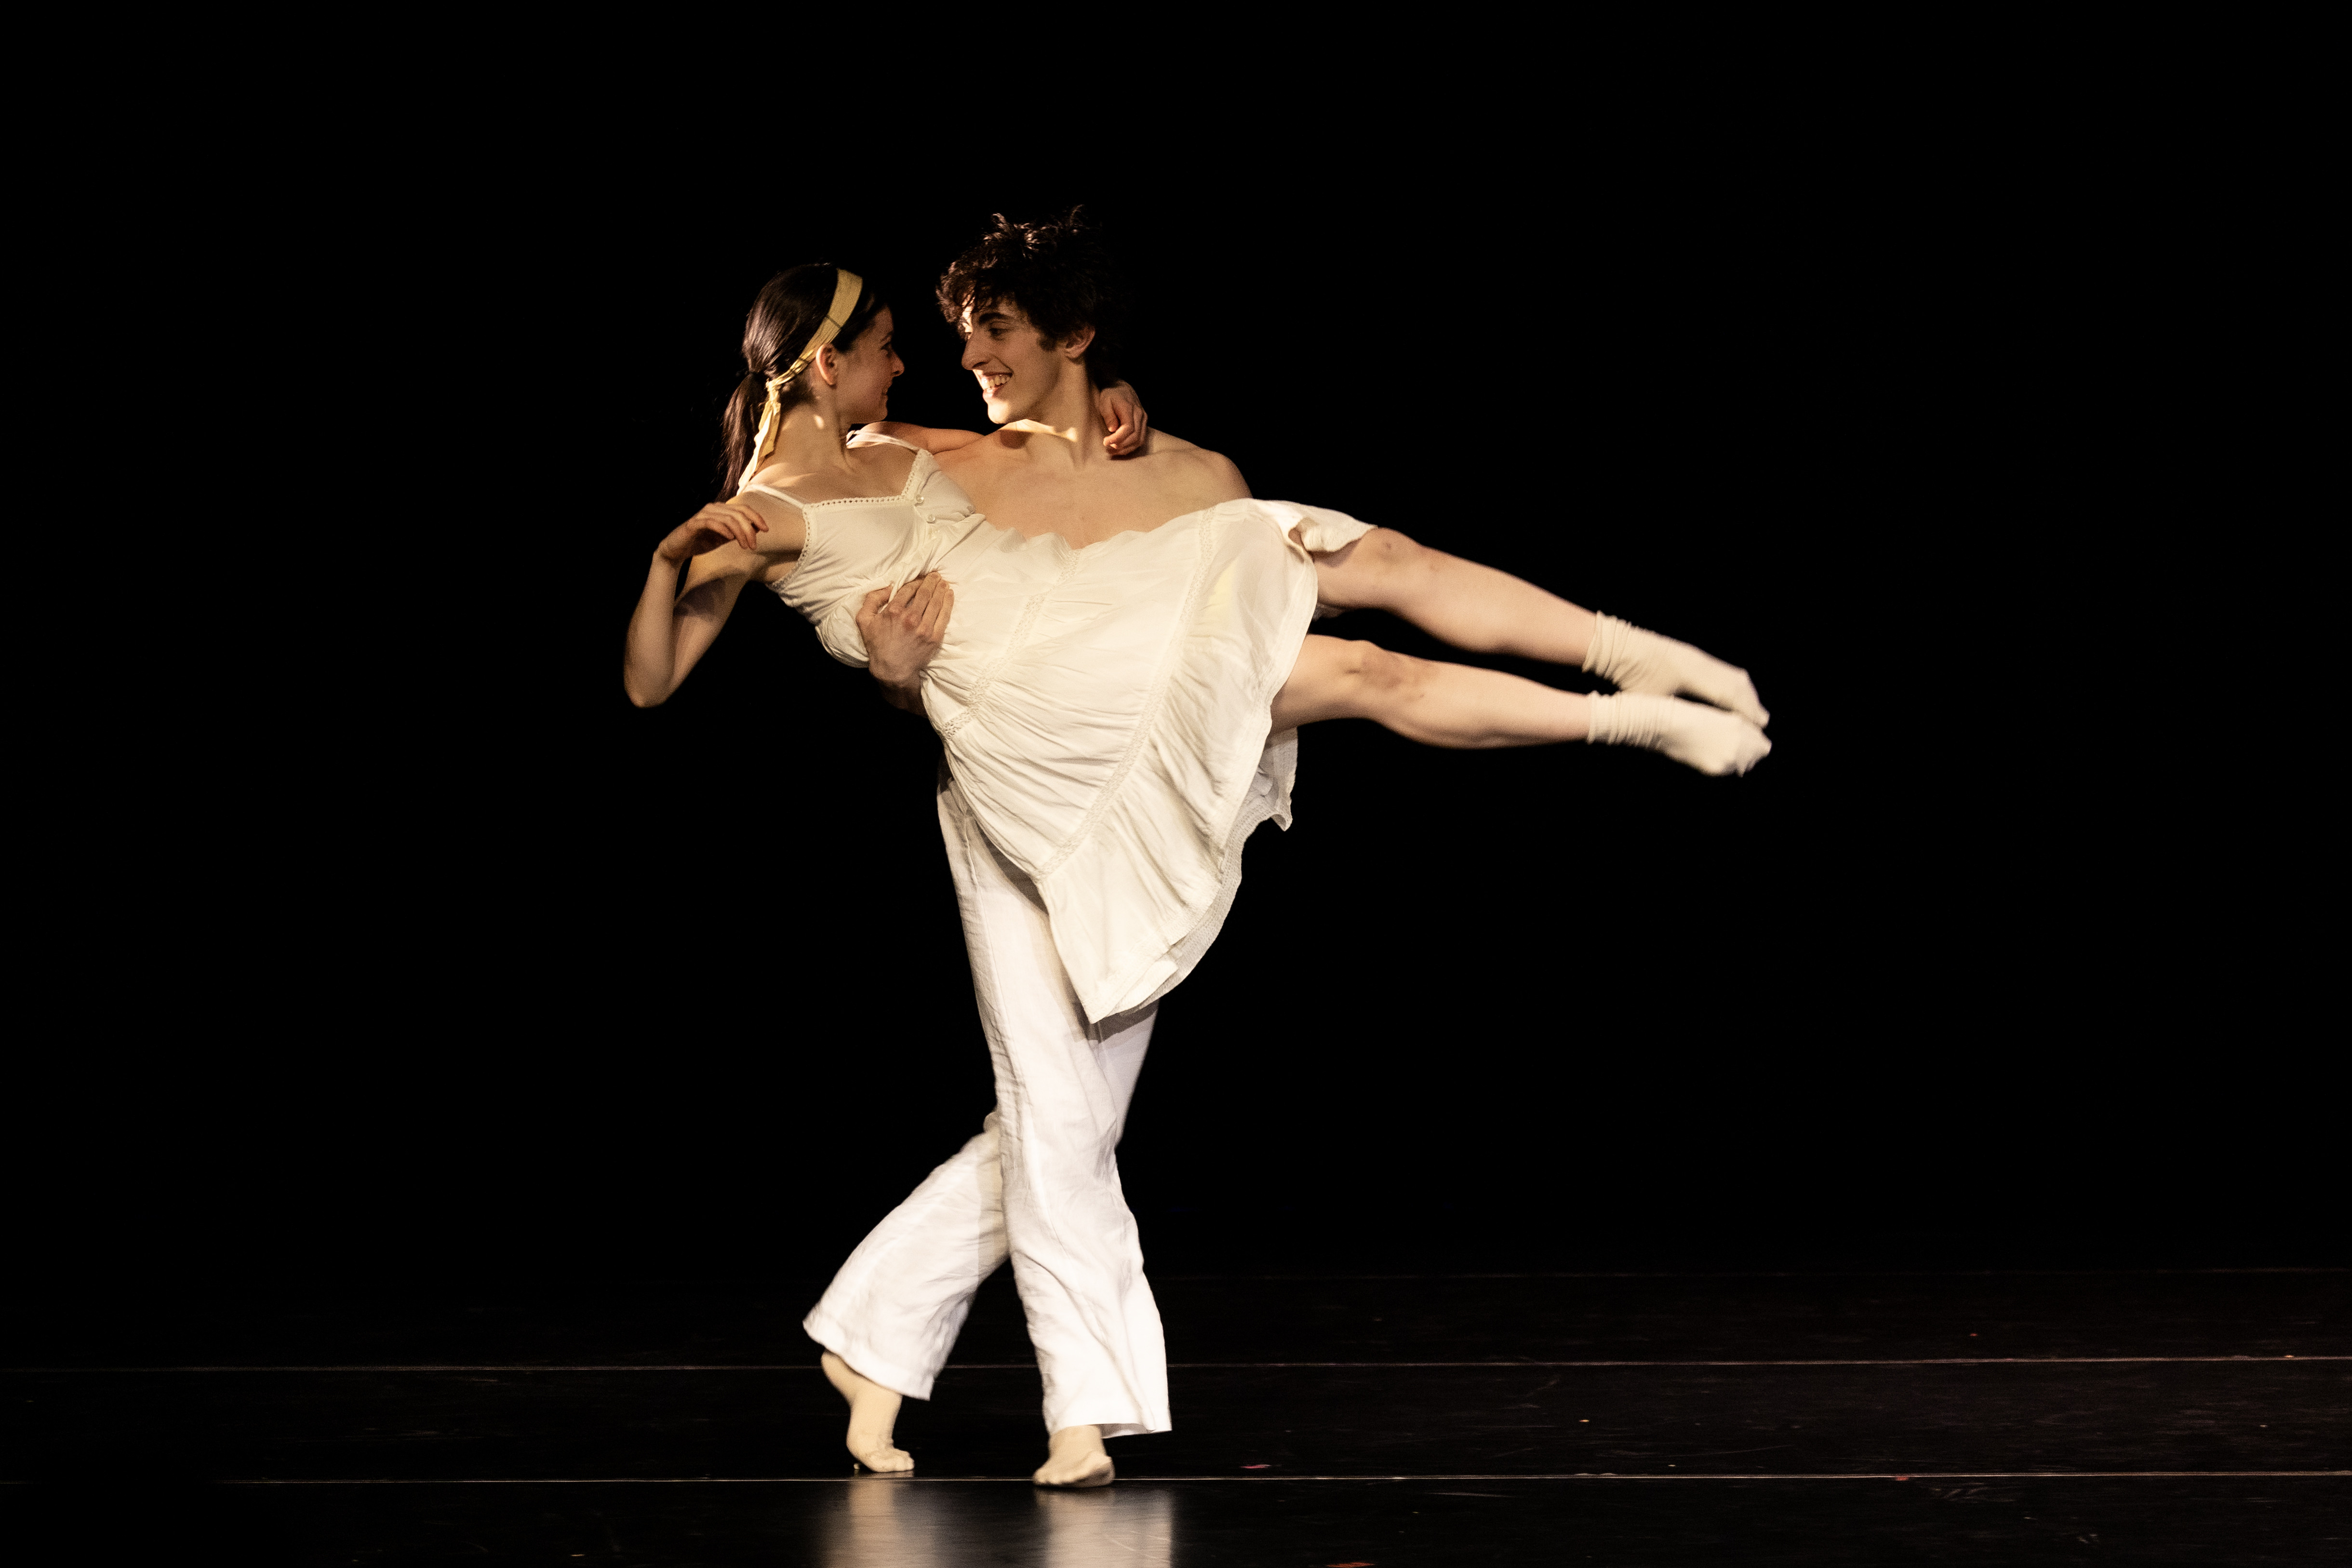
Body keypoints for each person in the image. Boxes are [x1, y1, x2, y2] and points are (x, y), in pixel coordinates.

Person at [623, 226, 1770, 1487]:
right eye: (895, 351)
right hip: (1032, 730)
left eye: (949, 343)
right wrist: (678, 558)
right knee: (1067, 1101)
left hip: (1091, 623)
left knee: (1360, 578)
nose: (921, 369)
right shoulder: (773, 511)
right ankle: (1072, 1410)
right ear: (830, 359)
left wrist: (1107, 406)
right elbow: (655, 677)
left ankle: (1631, 665)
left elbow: (1037, 447)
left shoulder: (902, 449)